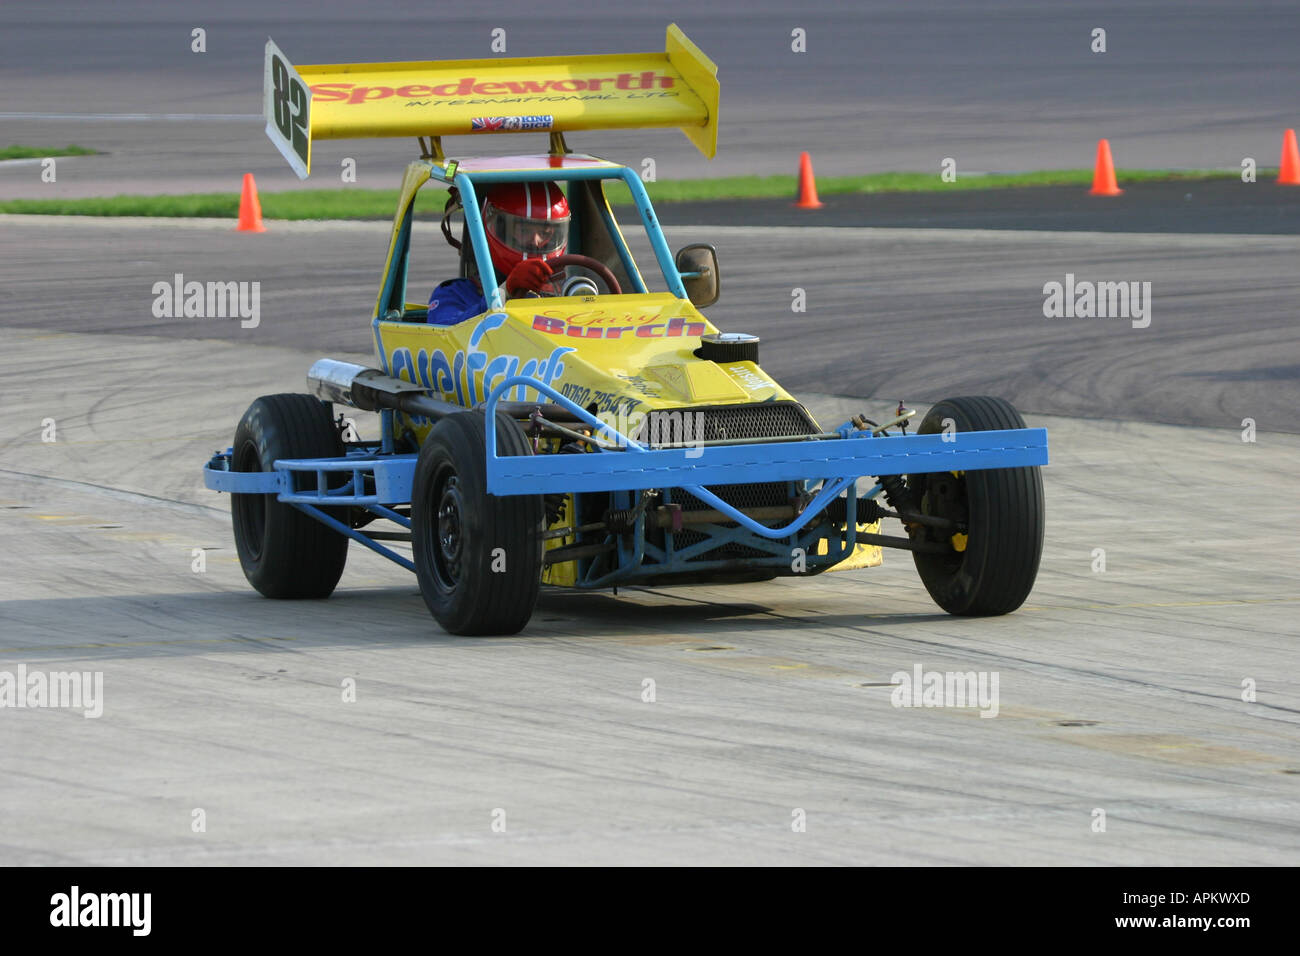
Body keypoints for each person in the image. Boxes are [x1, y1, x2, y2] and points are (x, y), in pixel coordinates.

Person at [428, 181, 570, 325]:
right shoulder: (455, 293)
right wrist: (505, 292)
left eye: (544, 232)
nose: (535, 242)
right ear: (499, 228)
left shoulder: (568, 292)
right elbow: (446, 333)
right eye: (523, 230)